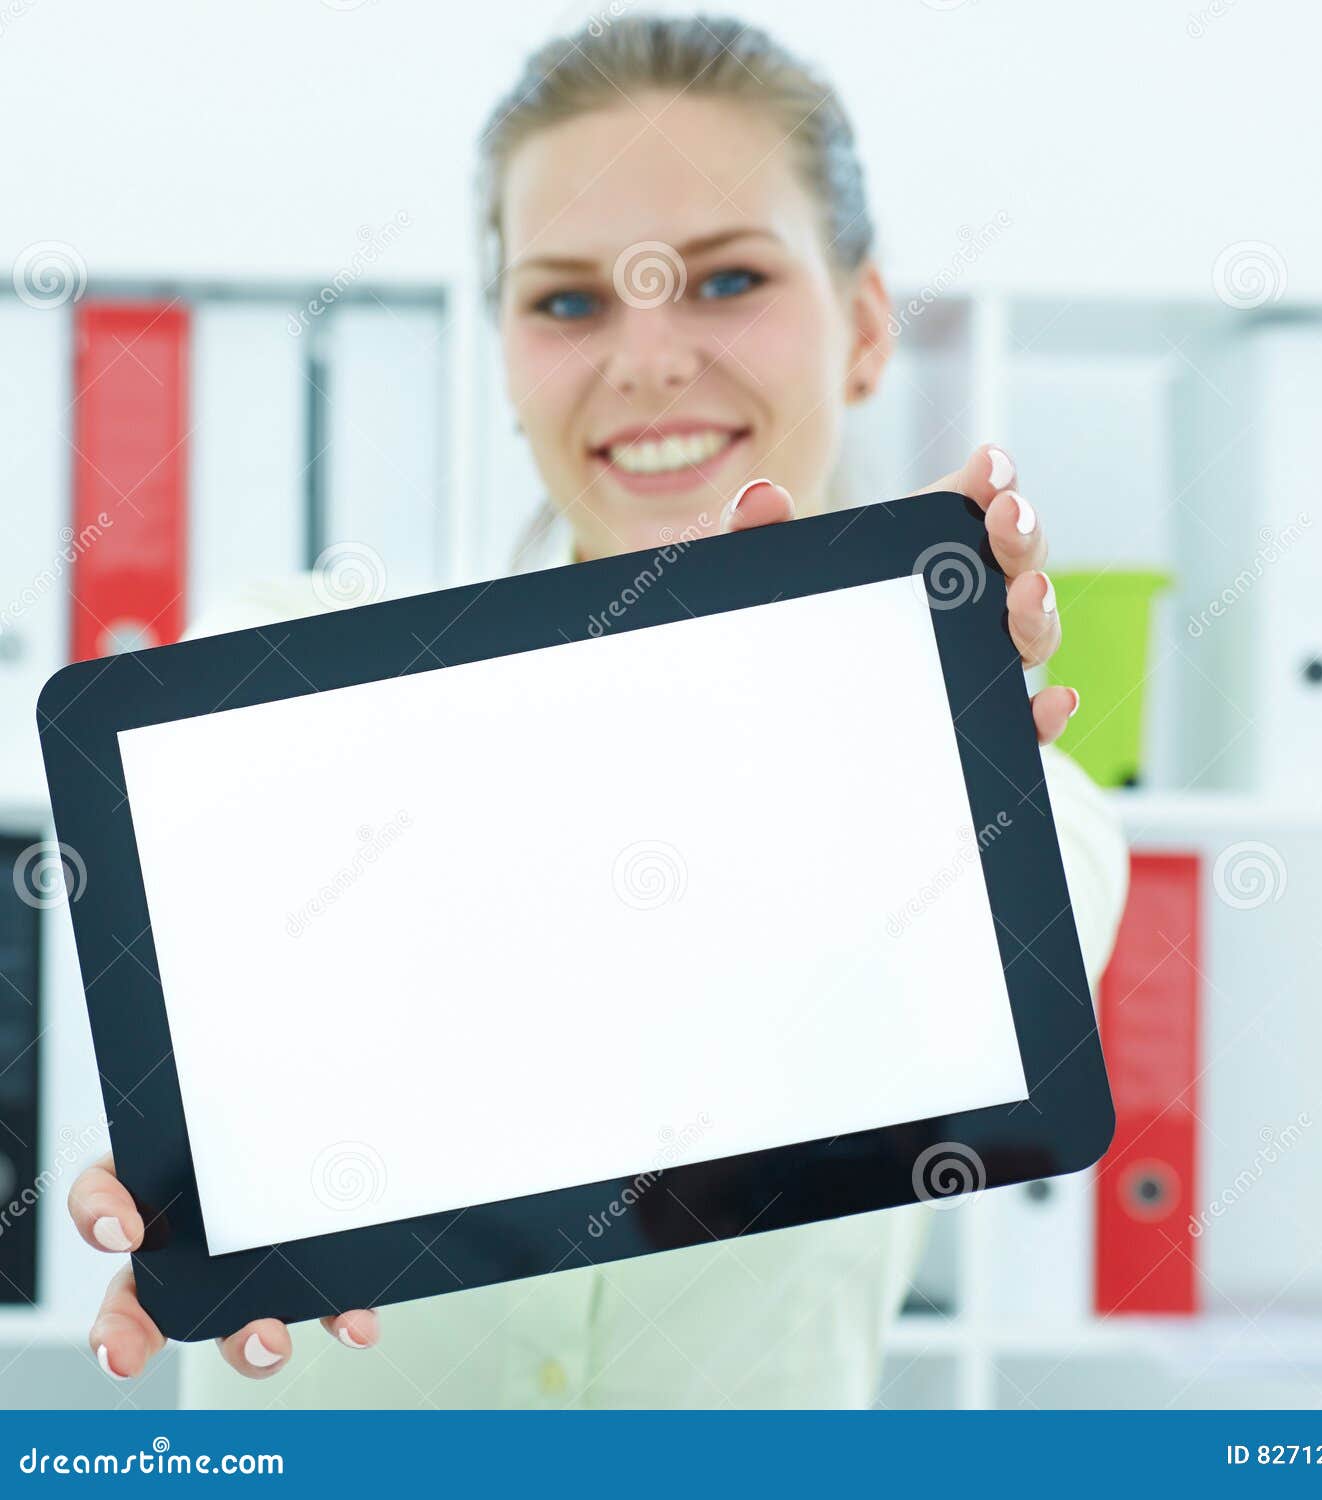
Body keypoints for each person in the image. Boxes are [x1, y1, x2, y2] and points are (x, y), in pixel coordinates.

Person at [65, 15, 1129, 1409]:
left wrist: (914, 761)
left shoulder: (1021, 798)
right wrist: (188, 1179)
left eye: (728, 279)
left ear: (868, 325)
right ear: (504, 352)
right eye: (568, 302)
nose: (648, 360)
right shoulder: (267, 689)